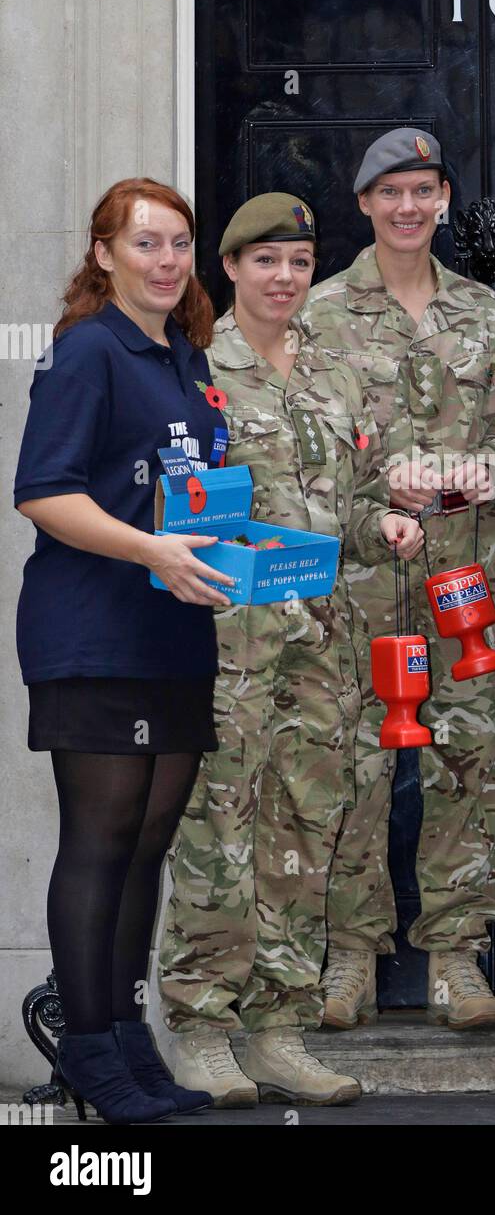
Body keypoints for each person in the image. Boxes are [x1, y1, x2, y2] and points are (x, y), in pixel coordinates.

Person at [158, 193, 423, 1106]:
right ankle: (199, 1025)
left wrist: (383, 519)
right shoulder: (195, 372)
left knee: (306, 835)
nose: (284, 278)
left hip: (324, 649)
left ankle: (278, 1028)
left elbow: (349, 502)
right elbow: (178, 508)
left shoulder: (335, 375)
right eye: (265, 261)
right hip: (229, 648)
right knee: (218, 834)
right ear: (228, 269)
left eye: (300, 263)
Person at [303, 129, 495, 1030]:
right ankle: (348, 962)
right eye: (390, 192)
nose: (408, 208)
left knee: (472, 760)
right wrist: (375, 484)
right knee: (350, 766)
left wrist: (490, 470)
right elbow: (298, 452)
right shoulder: (319, 316)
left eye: (424, 190)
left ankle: (456, 961)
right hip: (359, 584)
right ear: (364, 204)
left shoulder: (485, 315)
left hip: (466, 581)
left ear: (443, 199)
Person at [13, 177, 239, 1124]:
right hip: (96, 632)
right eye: (145, 244)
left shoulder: (185, 358)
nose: (166, 261)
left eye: (179, 244)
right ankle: (87, 1049)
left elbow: (194, 497)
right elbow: (43, 493)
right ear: (104, 254)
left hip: (174, 630)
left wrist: (246, 548)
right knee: (100, 844)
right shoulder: (87, 354)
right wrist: (150, 548)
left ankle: (126, 1035)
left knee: (147, 848)